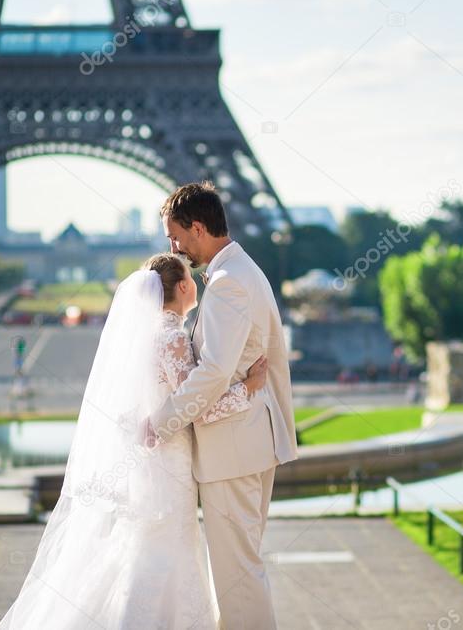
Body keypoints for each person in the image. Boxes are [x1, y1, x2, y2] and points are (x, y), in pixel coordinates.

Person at [0, 255, 270, 628]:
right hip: (169, 464)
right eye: (190, 278)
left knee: (148, 548)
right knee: (168, 549)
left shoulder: (147, 338)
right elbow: (198, 408)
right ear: (183, 288)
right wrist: (249, 389)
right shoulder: (173, 338)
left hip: (150, 463)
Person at [149, 182, 298, 629]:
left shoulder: (230, 283)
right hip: (245, 441)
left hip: (233, 450)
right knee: (242, 570)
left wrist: (161, 422)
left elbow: (214, 372)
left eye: (175, 236)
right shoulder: (239, 272)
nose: (173, 247)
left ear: (197, 227)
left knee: (237, 577)